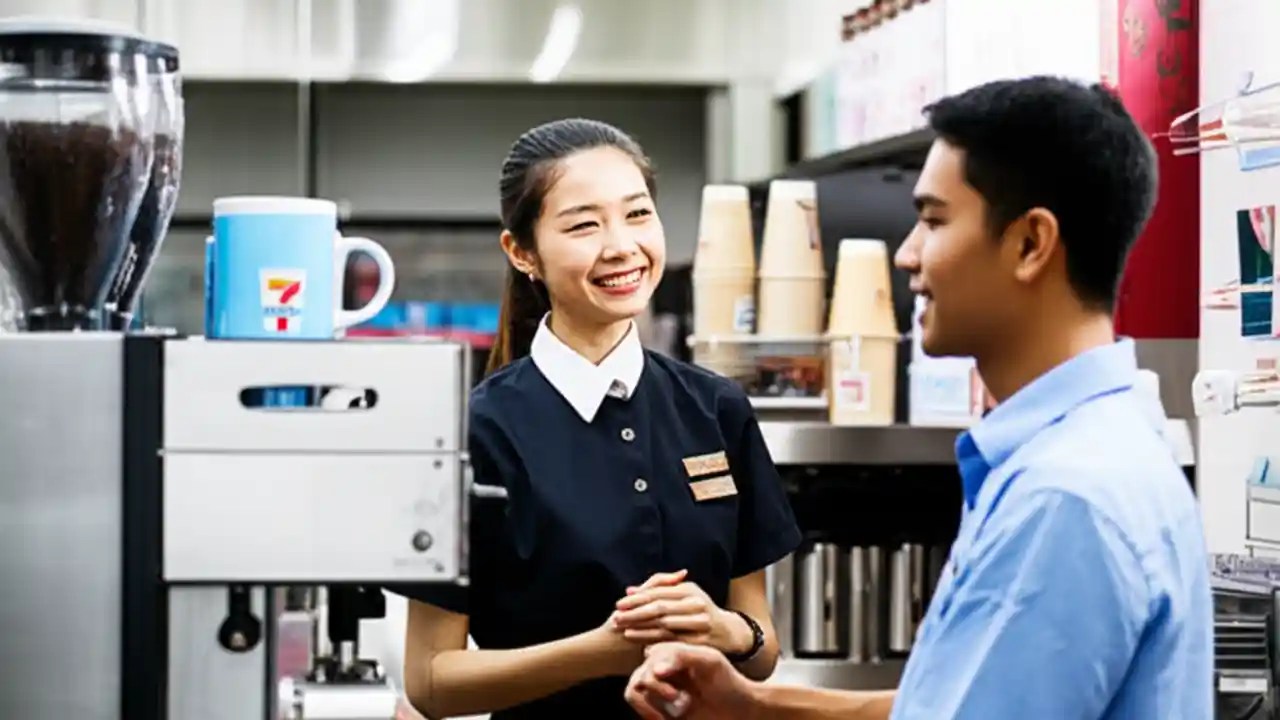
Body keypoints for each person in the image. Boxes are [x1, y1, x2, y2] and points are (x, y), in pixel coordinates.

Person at [625, 76, 1213, 719]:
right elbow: (955, 703)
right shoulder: (1106, 438)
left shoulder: (1065, 499)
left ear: (1029, 244)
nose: (907, 255)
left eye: (933, 220)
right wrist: (758, 705)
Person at [388, 118, 802, 719]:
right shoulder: (470, 434)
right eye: (584, 224)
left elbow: (762, 649)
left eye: (638, 215)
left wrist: (726, 632)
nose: (621, 246)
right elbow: (429, 681)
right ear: (522, 251)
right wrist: (603, 652)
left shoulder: (717, 409)